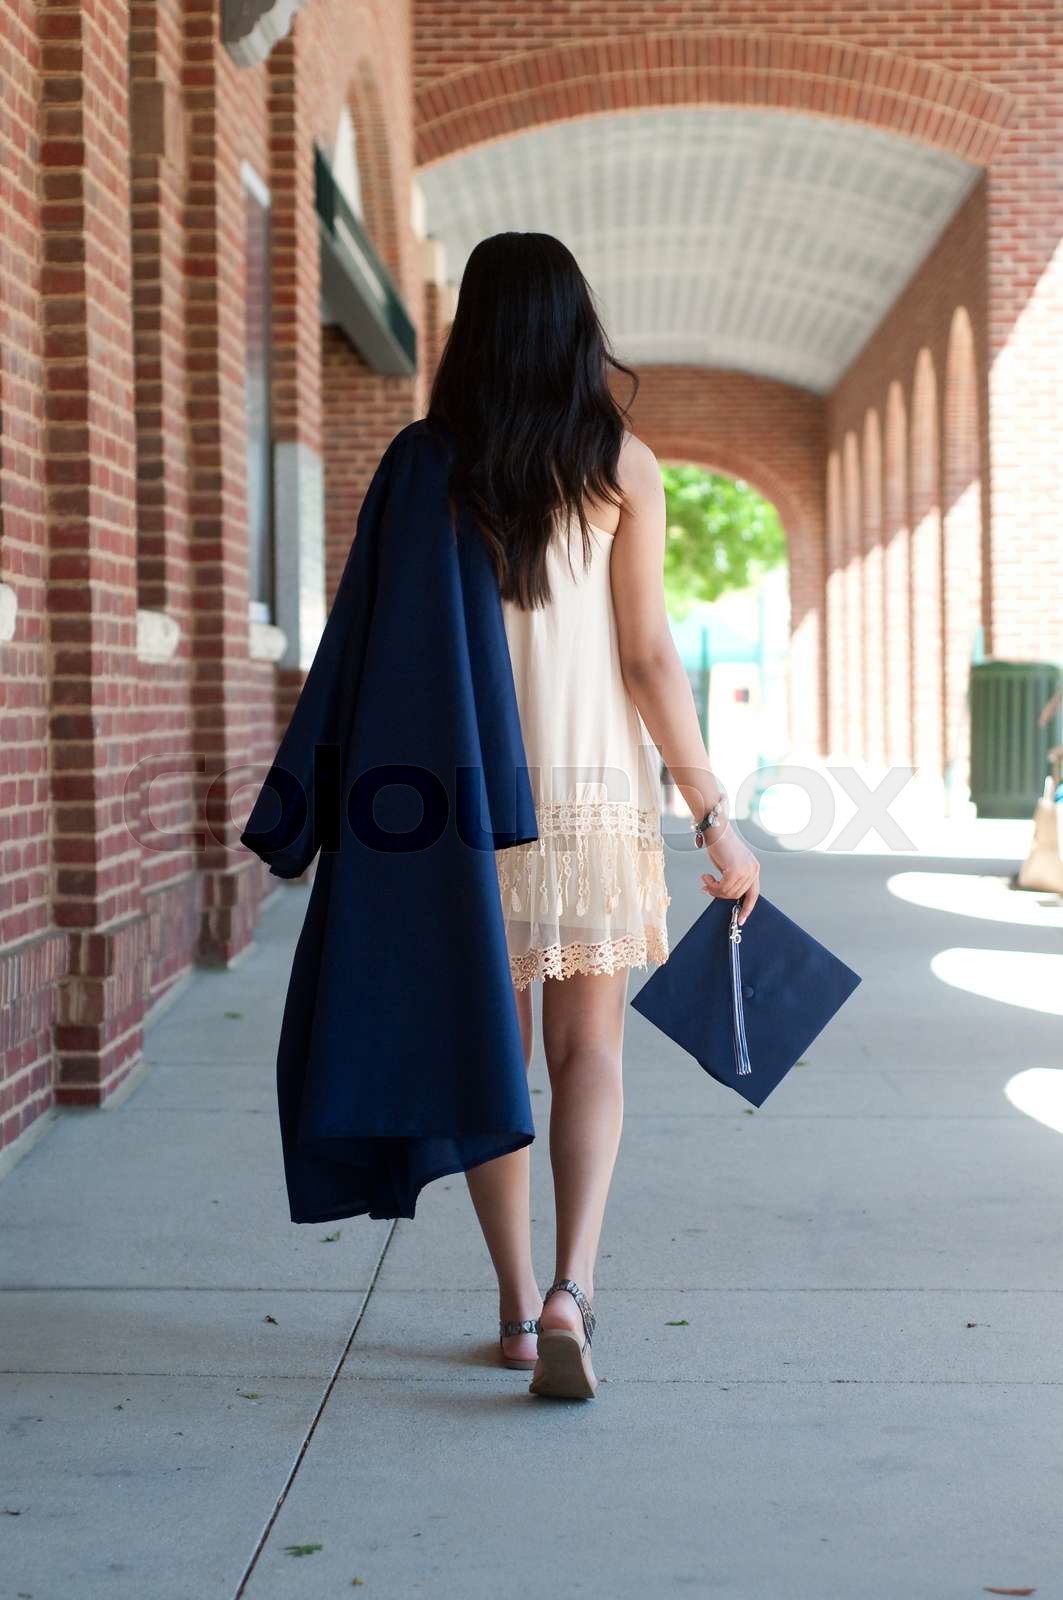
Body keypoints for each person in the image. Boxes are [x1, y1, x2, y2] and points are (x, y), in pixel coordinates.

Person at [426, 233, 760, 1400]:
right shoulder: (619, 462)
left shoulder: (436, 466)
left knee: (491, 1055)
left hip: (463, 810)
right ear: (577, 328)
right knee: (588, 1051)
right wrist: (713, 812)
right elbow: (649, 656)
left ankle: (515, 1309)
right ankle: (574, 1286)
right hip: (592, 809)